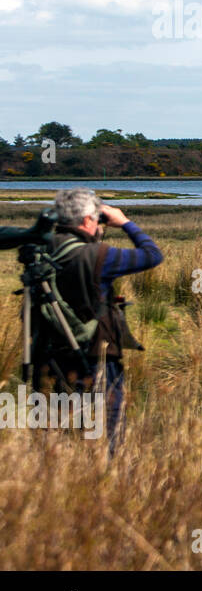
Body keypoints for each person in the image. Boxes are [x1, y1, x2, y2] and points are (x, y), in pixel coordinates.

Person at [31, 187, 163, 452]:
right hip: (96, 354)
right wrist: (125, 222)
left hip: (49, 353)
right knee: (109, 429)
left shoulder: (41, 251)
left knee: (56, 428)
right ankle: (109, 479)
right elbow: (152, 255)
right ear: (87, 220)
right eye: (97, 218)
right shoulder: (100, 256)